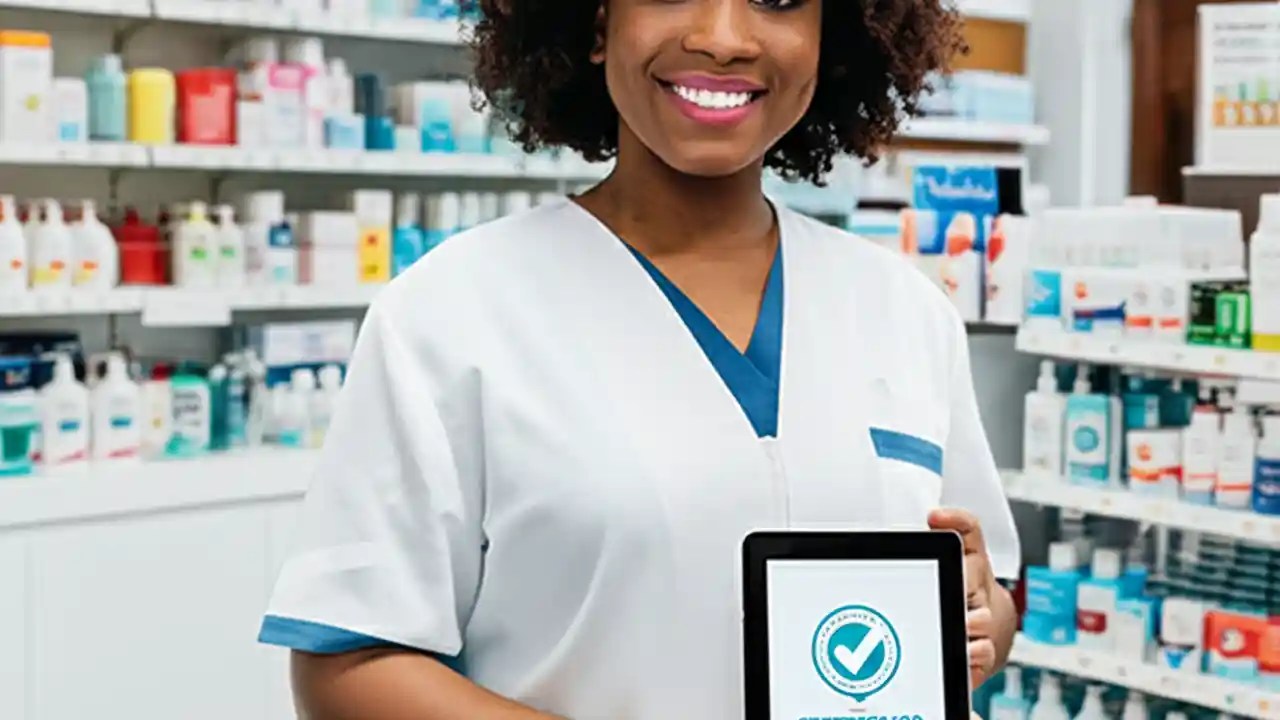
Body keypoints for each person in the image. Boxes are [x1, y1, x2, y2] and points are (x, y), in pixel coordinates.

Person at [259, 0, 1022, 717]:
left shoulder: (903, 307)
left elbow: (989, 594)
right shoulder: (452, 310)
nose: (725, 35)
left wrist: (986, 616)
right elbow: (347, 665)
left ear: (836, 37)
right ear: (596, 21)